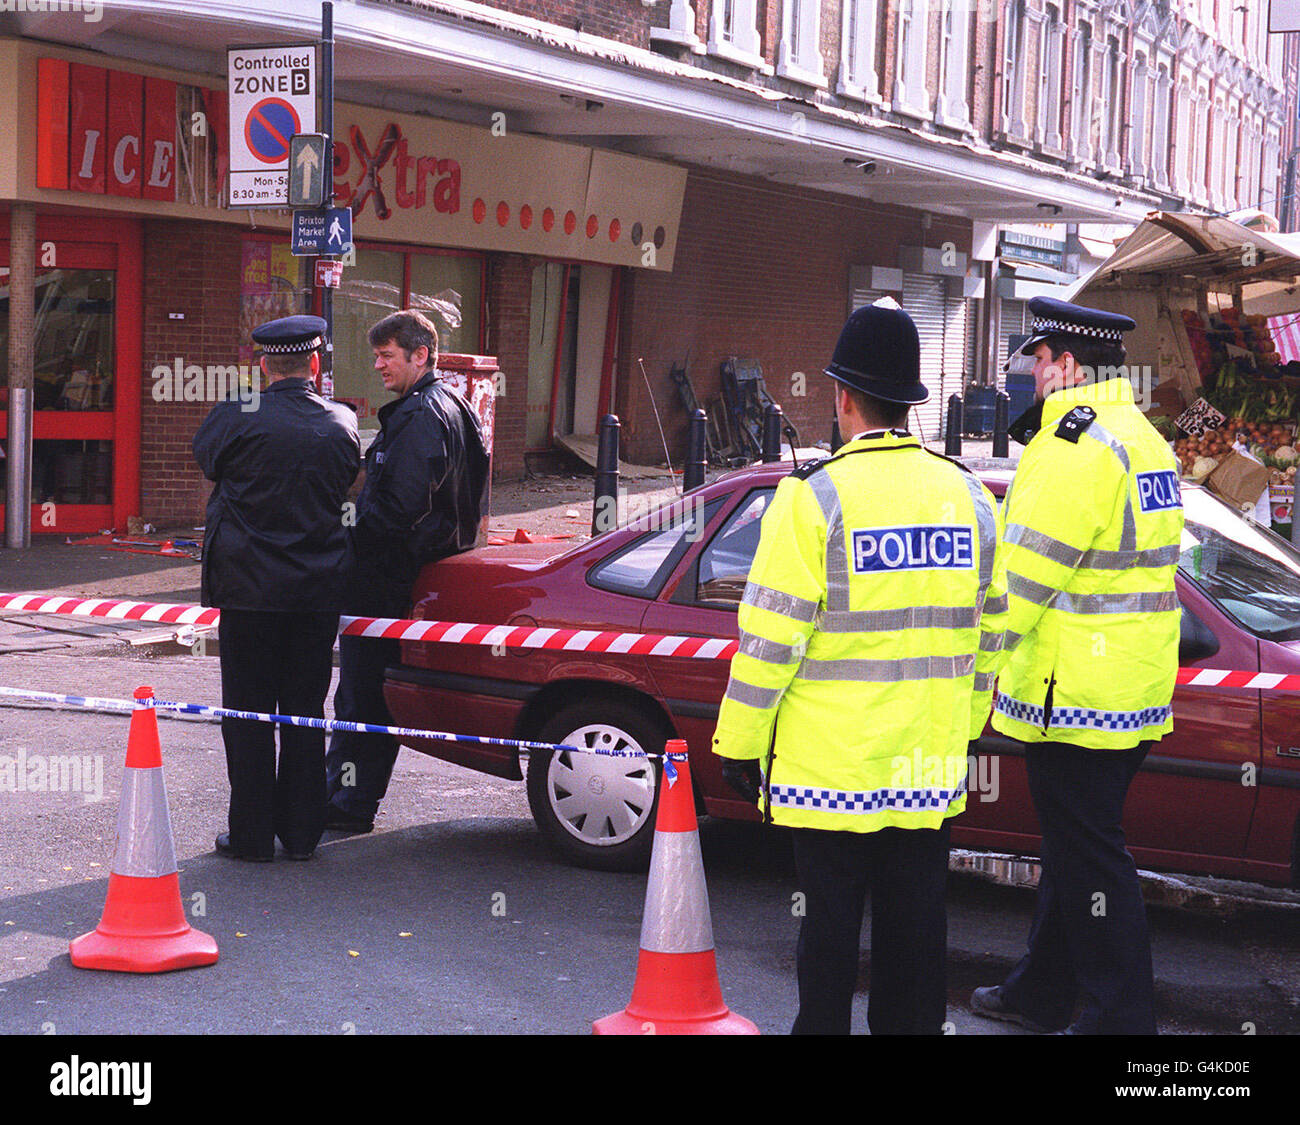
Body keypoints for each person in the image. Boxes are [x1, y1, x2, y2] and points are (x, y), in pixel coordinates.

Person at [712, 298, 1008, 1035]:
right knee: (916, 941)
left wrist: (740, 746)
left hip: (830, 776)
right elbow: (993, 631)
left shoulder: (815, 500)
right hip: (927, 769)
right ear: (910, 402)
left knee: (828, 946)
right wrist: (966, 727)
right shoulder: (969, 496)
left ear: (842, 397)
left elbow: (768, 645)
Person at [971, 296, 1184, 1035]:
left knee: (1091, 858)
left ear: (1067, 363)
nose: (1031, 375)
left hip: (1076, 696)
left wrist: (973, 666)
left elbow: (1019, 582)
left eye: (1037, 360)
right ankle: (1041, 990)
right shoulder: (1145, 437)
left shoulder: (1070, 446)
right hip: (1134, 689)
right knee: (1073, 848)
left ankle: (1121, 1020)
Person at [193, 315, 360, 861]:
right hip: (314, 592)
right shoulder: (341, 422)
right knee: (305, 712)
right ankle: (303, 831)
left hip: (248, 590)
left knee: (247, 714)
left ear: (264, 364)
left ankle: (252, 835)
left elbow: (206, 460)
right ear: (315, 363)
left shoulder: (239, 413)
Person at [324, 309, 490, 833]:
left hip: (388, 578)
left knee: (361, 694)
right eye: (376, 355)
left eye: (387, 355)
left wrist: (347, 543)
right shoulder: (452, 407)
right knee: (366, 692)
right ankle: (348, 797)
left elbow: (398, 508)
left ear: (420, 355)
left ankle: (347, 803)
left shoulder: (421, 416)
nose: (378, 365)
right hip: (420, 573)